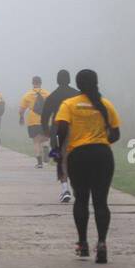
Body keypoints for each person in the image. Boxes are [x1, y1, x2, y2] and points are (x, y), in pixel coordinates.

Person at [53, 69, 121, 264]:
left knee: (81, 199)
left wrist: (57, 151)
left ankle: (82, 244)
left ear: (78, 83)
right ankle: (102, 243)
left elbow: (61, 131)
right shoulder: (106, 105)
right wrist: (99, 141)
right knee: (101, 201)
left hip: (79, 156)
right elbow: (116, 135)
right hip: (103, 155)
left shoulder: (69, 104)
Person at [40, 70, 78, 203]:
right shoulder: (77, 94)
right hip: (75, 129)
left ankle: (65, 188)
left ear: (57, 80)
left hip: (57, 130)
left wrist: (46, 131)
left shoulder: (52, 96)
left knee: (60, 159)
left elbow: (44, 117)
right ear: (69, 79)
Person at [18, 75, 52, 168]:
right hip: (45, 120)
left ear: (33, 83)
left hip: (33, 120)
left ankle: (40, 163)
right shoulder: (47, 94)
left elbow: (21, 110)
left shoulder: (28, 95)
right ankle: (46, 147)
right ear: (40, 83)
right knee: (45, 138)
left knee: (36, 141)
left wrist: (21, 117)